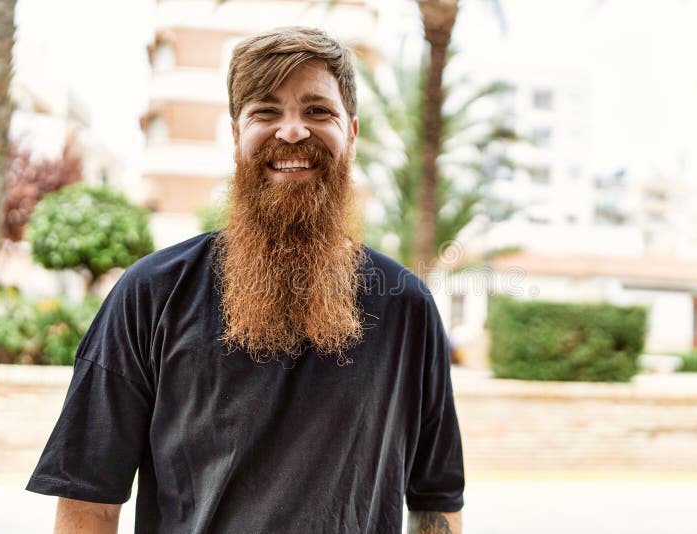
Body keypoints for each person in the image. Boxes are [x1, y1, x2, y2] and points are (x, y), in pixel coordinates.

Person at [26, 26, 464, 533]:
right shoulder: (151, 294)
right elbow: (89, 502)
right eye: (266, 111)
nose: (293, 130)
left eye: (318, 110)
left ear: (352, 132)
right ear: (236, 133)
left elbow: (435, 502)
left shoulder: (407, 306)